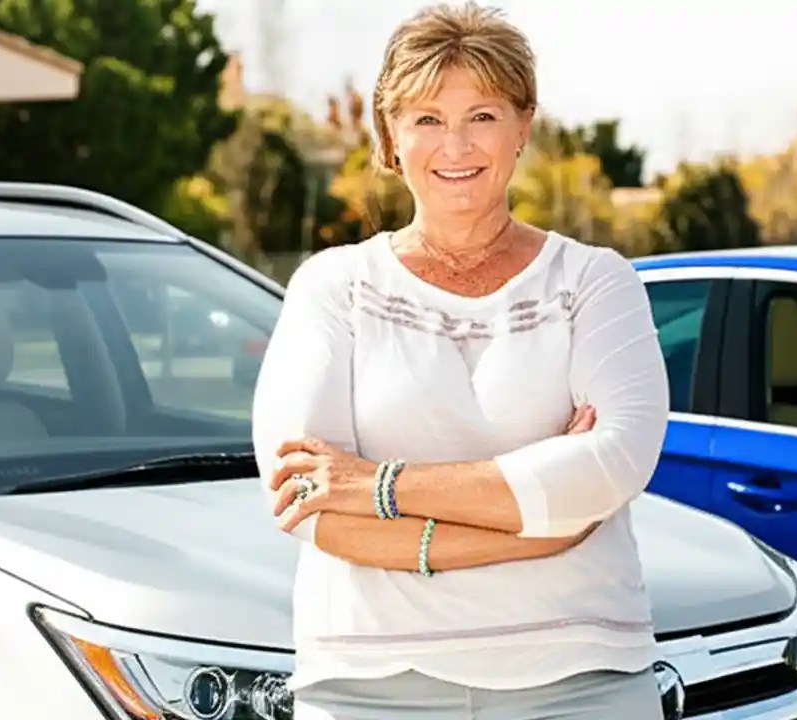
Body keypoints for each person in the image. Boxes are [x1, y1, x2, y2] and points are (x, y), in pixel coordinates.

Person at [251, 3, 670, 718]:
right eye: (426, 119)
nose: (456, 146)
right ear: (388, 136)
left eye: (482, 115)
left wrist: (375, 485)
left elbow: (610, 466)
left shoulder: (595, 281)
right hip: (370, 686)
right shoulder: (333, 286)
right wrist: (544, 531)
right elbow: (304, 502)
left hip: (581, 679)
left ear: (522, 127)